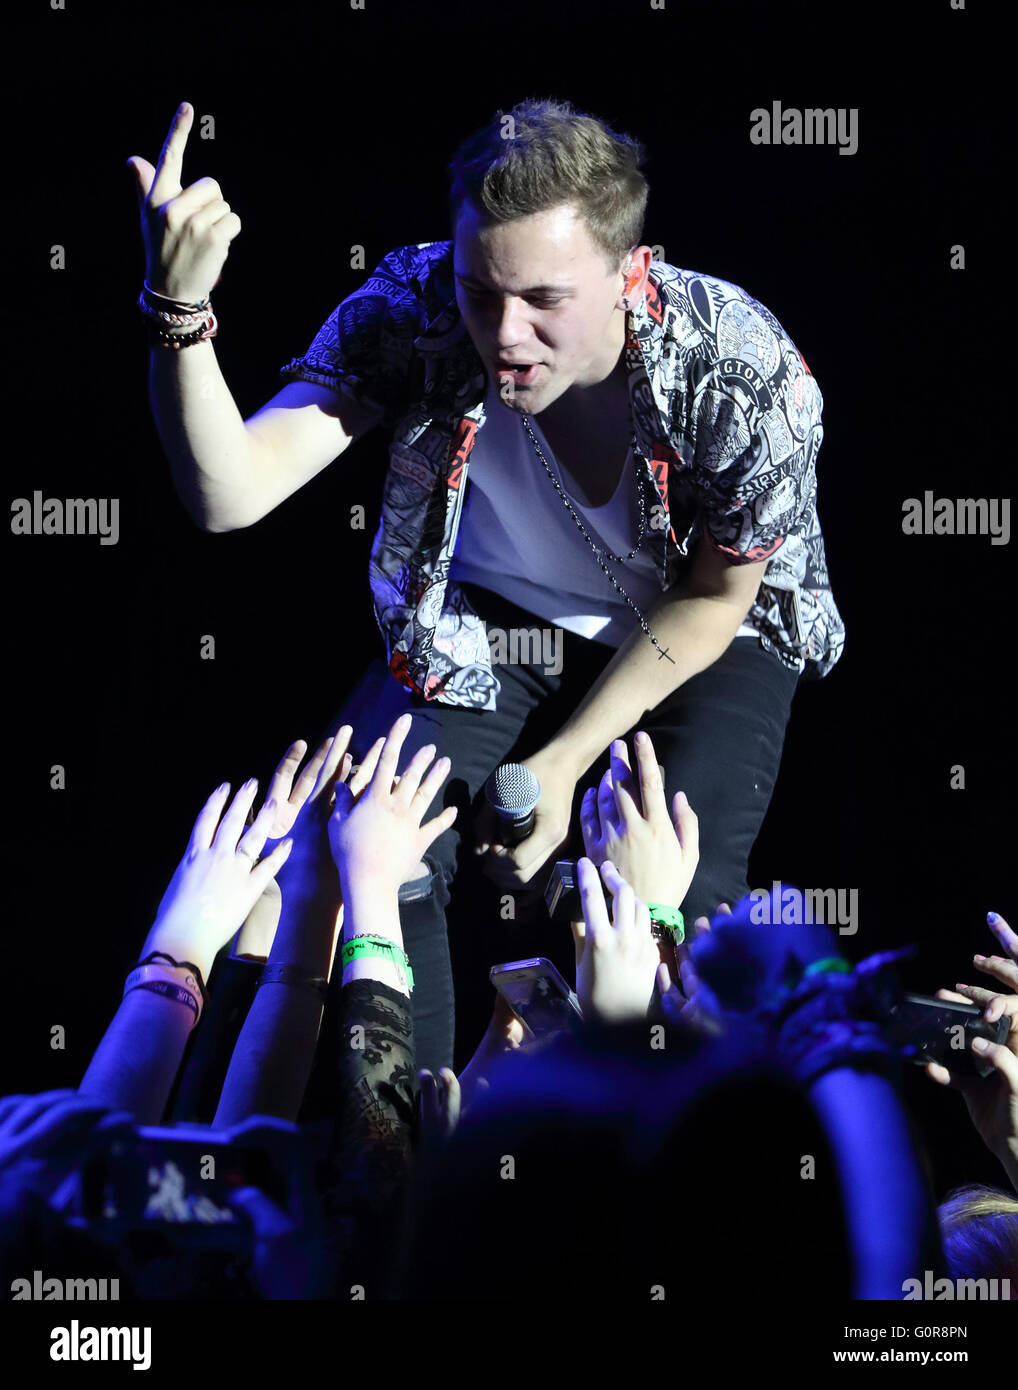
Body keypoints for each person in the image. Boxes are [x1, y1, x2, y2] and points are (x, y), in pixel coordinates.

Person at [128, 96, 845, 1074]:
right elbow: (228, 493)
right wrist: (181, 314)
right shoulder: (416, 306)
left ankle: (651, 1164)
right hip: (490, 623)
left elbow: (720, 596)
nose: (505, 333)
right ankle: (414, 1152)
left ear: (631, 270)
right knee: (371, 846)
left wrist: (561, 765)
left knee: (668, 895)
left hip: (703, 627)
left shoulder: (737, 365)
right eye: (481, 292)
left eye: (545, 300)